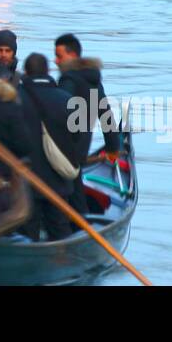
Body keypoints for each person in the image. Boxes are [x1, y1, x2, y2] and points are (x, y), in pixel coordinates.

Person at [54, 33, 120, 215]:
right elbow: (106, 116)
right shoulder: (94, 81)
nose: (56, 61)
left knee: (67, 195)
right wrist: (113, 147)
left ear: (73, 56)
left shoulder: (68, 80)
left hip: (64, 150)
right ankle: (80, 221)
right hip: (81, 149)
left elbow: (60, 111)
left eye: (59, 56)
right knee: (75, 193)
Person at [16, 52, 79, 241]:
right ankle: (63, 262)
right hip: (58, 181)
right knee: (60, 230)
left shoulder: (14, 98)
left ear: (25, 72)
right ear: (48, 70)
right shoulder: (68, 100)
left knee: (28, 232)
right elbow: (76, 138)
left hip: (27, 180)